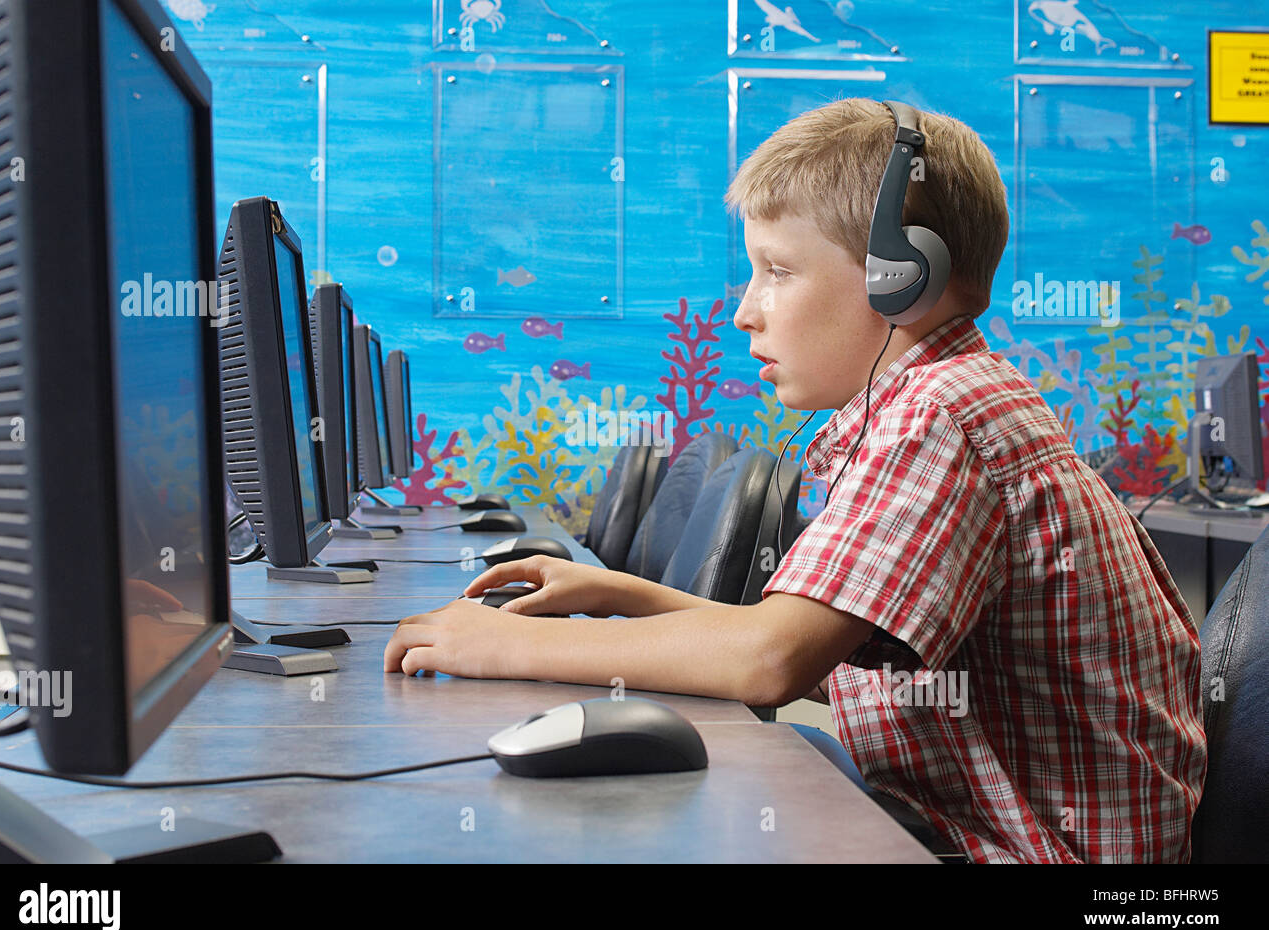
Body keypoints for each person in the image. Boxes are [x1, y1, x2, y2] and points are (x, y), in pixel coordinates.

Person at [384, 98, 1206, 863]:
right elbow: (815, 652)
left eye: (777, 271)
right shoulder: (938, 399)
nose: (746, 309)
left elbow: (772, 661)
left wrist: (502, 643)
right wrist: (622, 594)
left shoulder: (944, 414)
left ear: (901, 278)